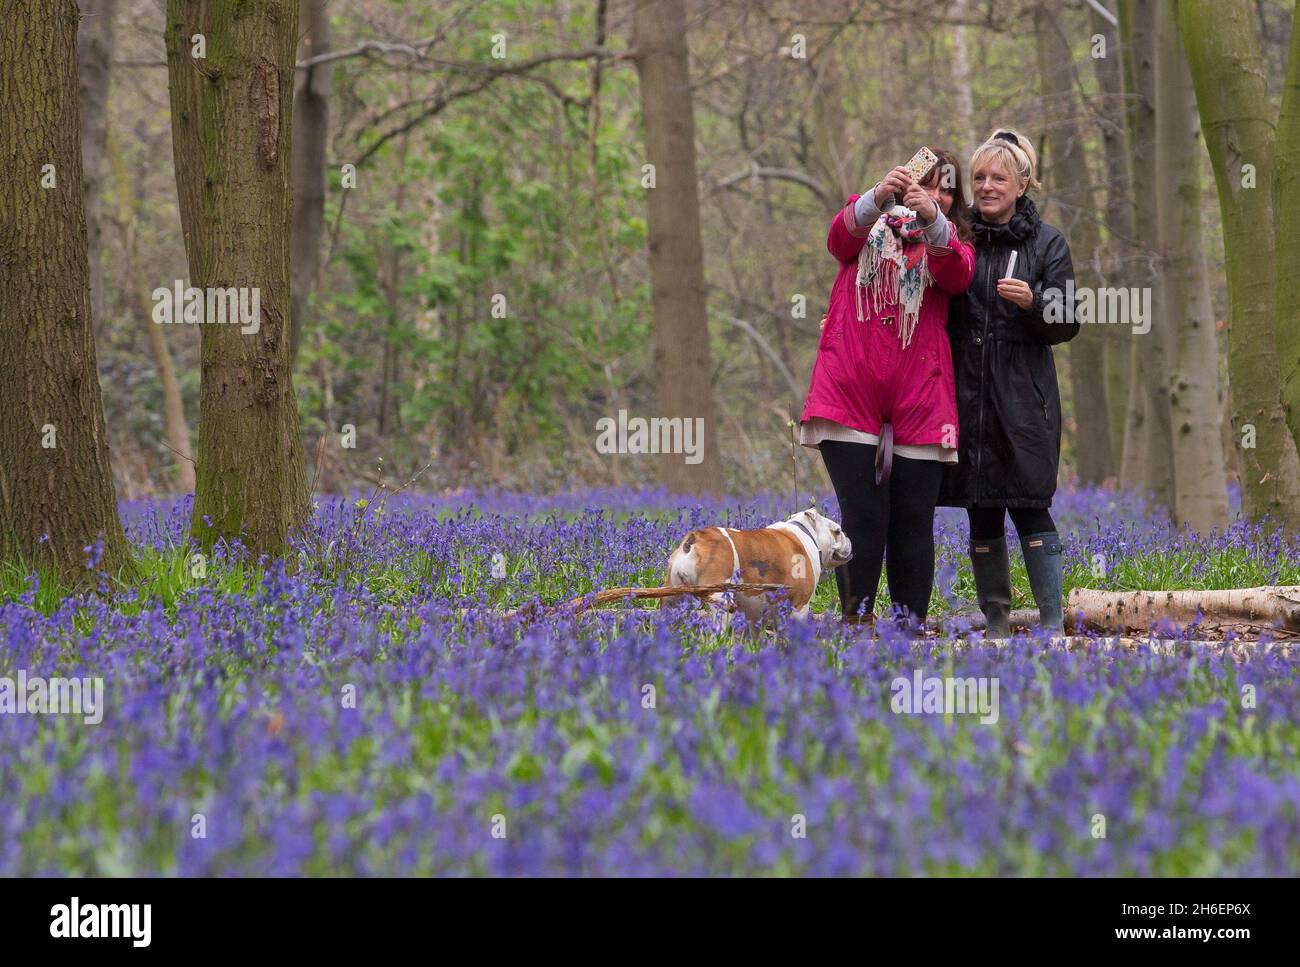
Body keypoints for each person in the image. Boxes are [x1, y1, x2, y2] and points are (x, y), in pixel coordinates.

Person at [799, 149, 975, 629]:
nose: (933, 193)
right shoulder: (868, 220)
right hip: (849, 387)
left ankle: (909, 630)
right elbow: (838, 240)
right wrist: (877, 196)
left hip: (921, 392)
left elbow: (957, 277)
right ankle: (856, 624)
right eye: (926, 183)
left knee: (913, 521)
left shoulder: (951, 243)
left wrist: (934, 218)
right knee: (862, 516)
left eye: (946, 189)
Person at [939, 128, 1080, 635]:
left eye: (999, 177)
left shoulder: (1048, 244)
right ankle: (995, 620)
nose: (987, 186)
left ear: (1022, 183)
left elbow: (1066, 323)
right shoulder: (957, 238)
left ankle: (1050, 621)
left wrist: (1033, 303)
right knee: (980, 511)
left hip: (1025, 403)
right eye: (978, 177)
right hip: (967, 397)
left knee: (1030, 508)